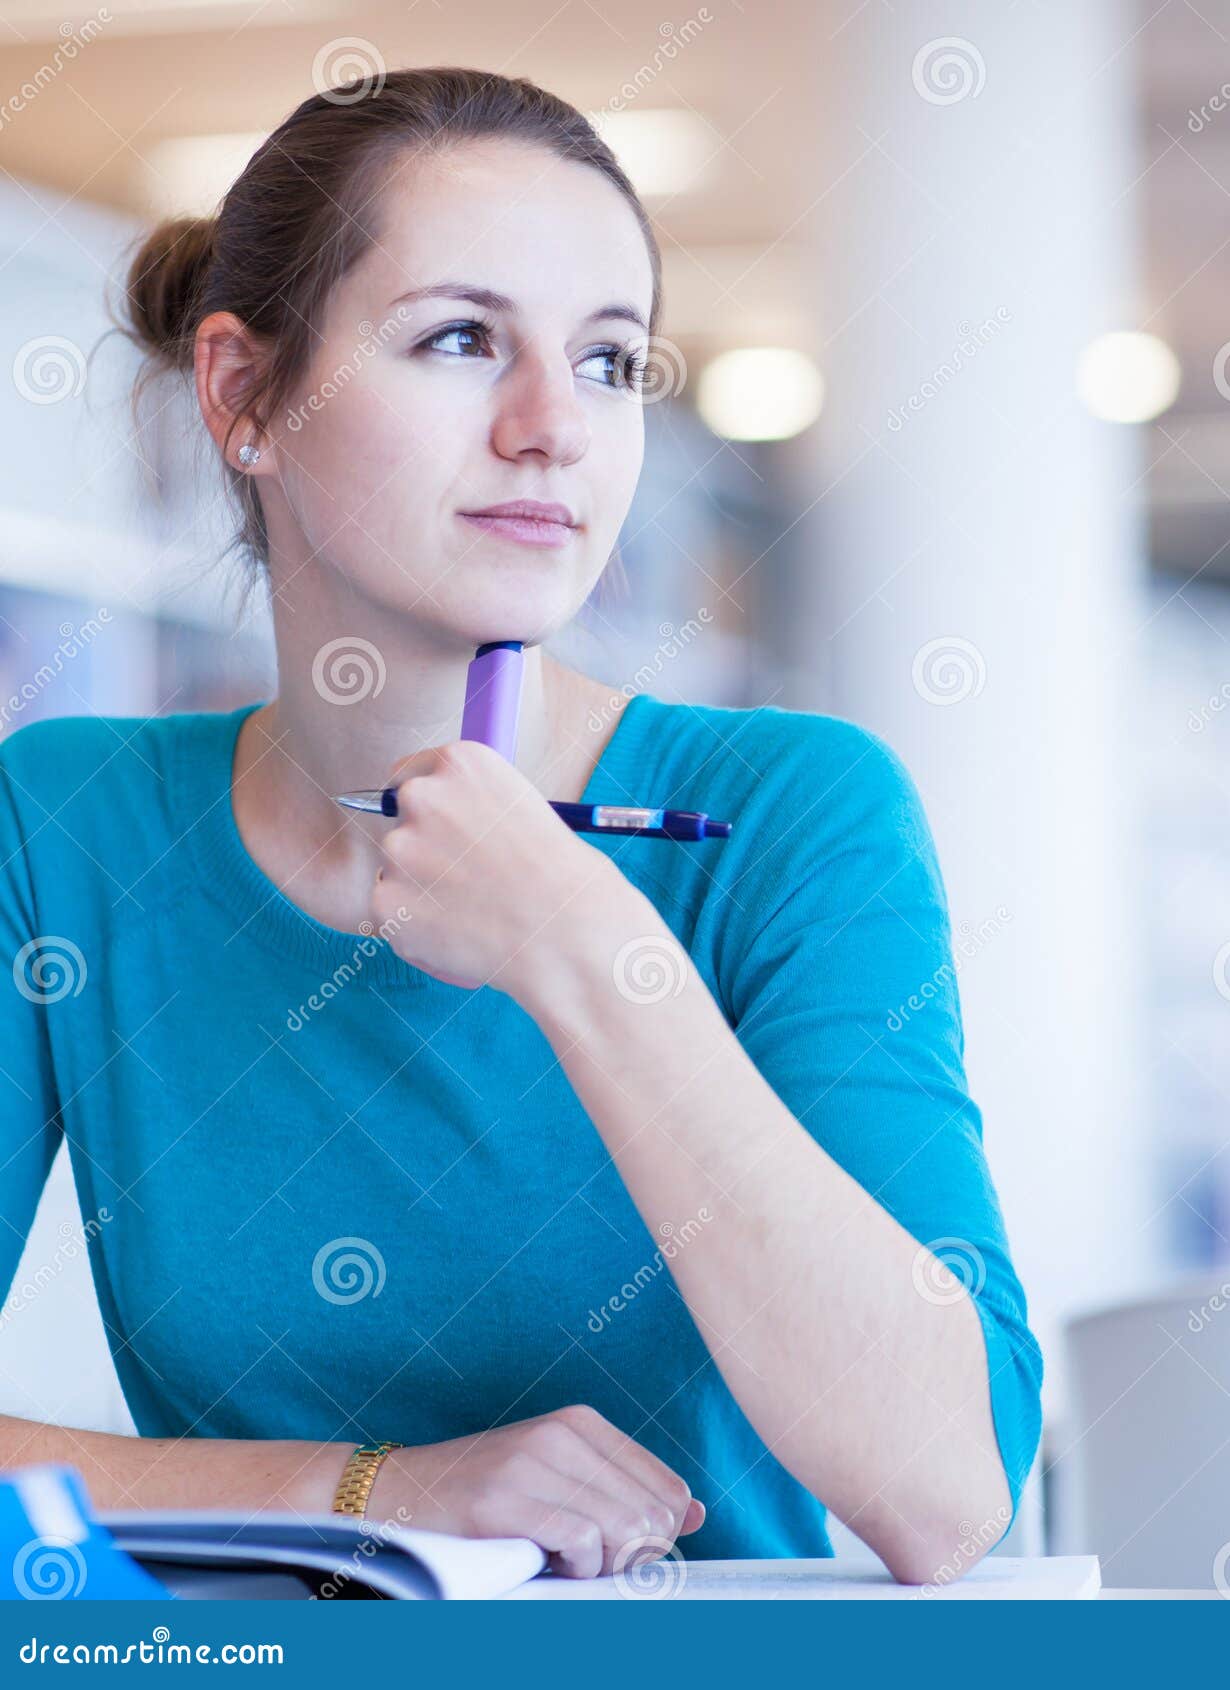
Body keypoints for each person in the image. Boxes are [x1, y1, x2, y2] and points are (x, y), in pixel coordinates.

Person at [0, 67, 1041, 1586]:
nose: (557, 427)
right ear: (243, 397)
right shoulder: (67, 822)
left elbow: (951, 1491)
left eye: (612, 361)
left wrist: (579, 945)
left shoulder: (790, 811)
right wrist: (375, 1487)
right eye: (463, 339)